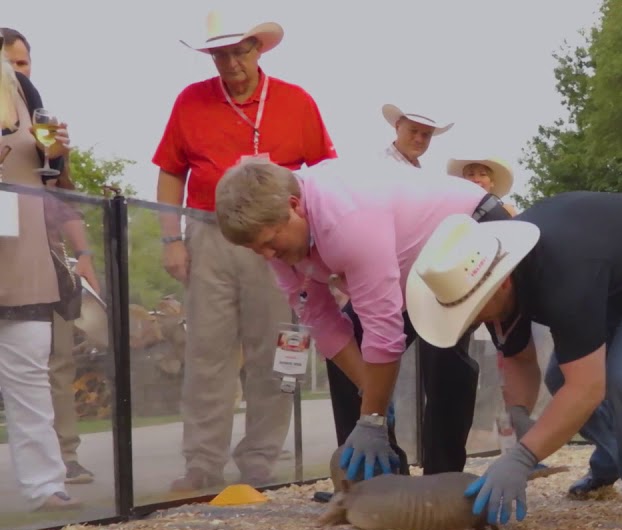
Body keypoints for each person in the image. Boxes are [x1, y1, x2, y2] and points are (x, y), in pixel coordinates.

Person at [404, 190, 622, 524]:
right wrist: (519, 416)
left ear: (499, 286)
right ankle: (618, 456)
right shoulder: (504, 277)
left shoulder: (562, 277)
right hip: (620, 277)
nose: (471, 320)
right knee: (559, 377)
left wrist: (522, 458)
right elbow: (519, 359)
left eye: (471, 308)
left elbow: (586, 389)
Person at [210, 156, 513, 481]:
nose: (269, 256)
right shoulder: (279, 236)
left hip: (467, 229)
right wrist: (371, 394)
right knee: (347, 351)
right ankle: (380, 482)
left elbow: (383, 331)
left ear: (294, 205)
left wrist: (372, 417)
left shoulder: (345, 218)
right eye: (258, 250)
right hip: (408, 260)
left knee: (440, 351)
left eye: (270, 243)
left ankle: (441, 483)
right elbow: (321, 321)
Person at [152, 11, 338, 492]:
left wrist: (314, 243)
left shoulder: (296, 100)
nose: (231, 62)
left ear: (259, 50)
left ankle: (259, 460)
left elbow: (324, 172)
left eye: (240, 51)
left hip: (276, 236)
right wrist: (171, 238)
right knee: (206, 350)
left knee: (275, 348)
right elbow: (171, 171)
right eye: (220, 54)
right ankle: (201, 464)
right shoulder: (190, 101)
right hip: (210, 231)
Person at [0, 48, 80, 510]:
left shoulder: (31, 105)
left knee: (30, 378)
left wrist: (60, 154)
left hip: (22, 261)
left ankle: (46, 486)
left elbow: (60, 187)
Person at [381, 102, 452, 168]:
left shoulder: (415, 167)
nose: (419, 139)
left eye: (426, 134)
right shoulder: (381, 165)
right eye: (413, 131)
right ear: (398, 126)